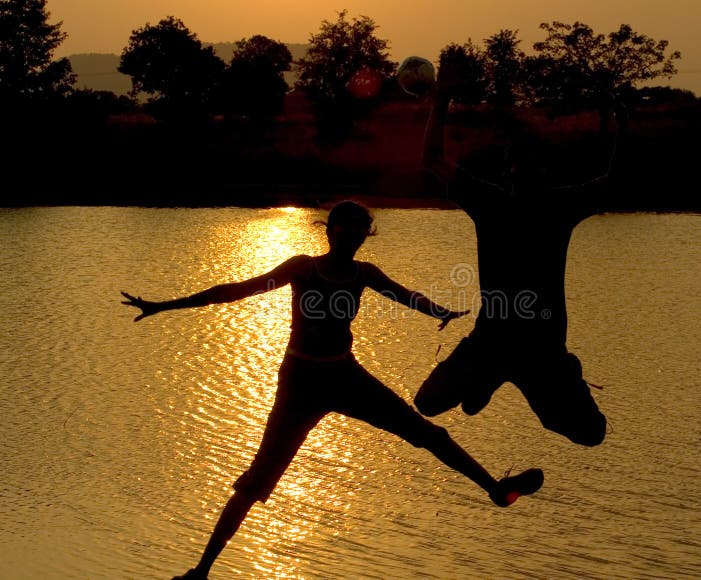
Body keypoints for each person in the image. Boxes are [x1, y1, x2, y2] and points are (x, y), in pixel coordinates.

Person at [121, 201, 544, 580]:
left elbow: (403, 295)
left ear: (365, 236)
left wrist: (439, 310)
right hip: (300, 384)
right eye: (345, 230)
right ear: (330, 231)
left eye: (360, 231)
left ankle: (495, 489)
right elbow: (236, 291)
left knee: (427, 434)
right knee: (256, 482)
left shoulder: (364, 273)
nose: (352, 237)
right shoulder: (302, 268)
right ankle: (201, 572)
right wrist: (164, 306)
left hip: (345, 376)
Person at [413, 62, 626, 448]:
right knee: (427, 403)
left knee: (592, 433)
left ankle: (497, 384)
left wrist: (622, 125)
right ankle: (483, 384)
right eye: (516, 168)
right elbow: (432, 160)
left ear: (542, 175)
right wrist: (440, 101)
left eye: (527, 169)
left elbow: (615, 184)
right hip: (490, 342)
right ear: (508, 174)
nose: (520, 175)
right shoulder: (499, 202)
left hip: (542, 352)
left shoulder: (553, 205)